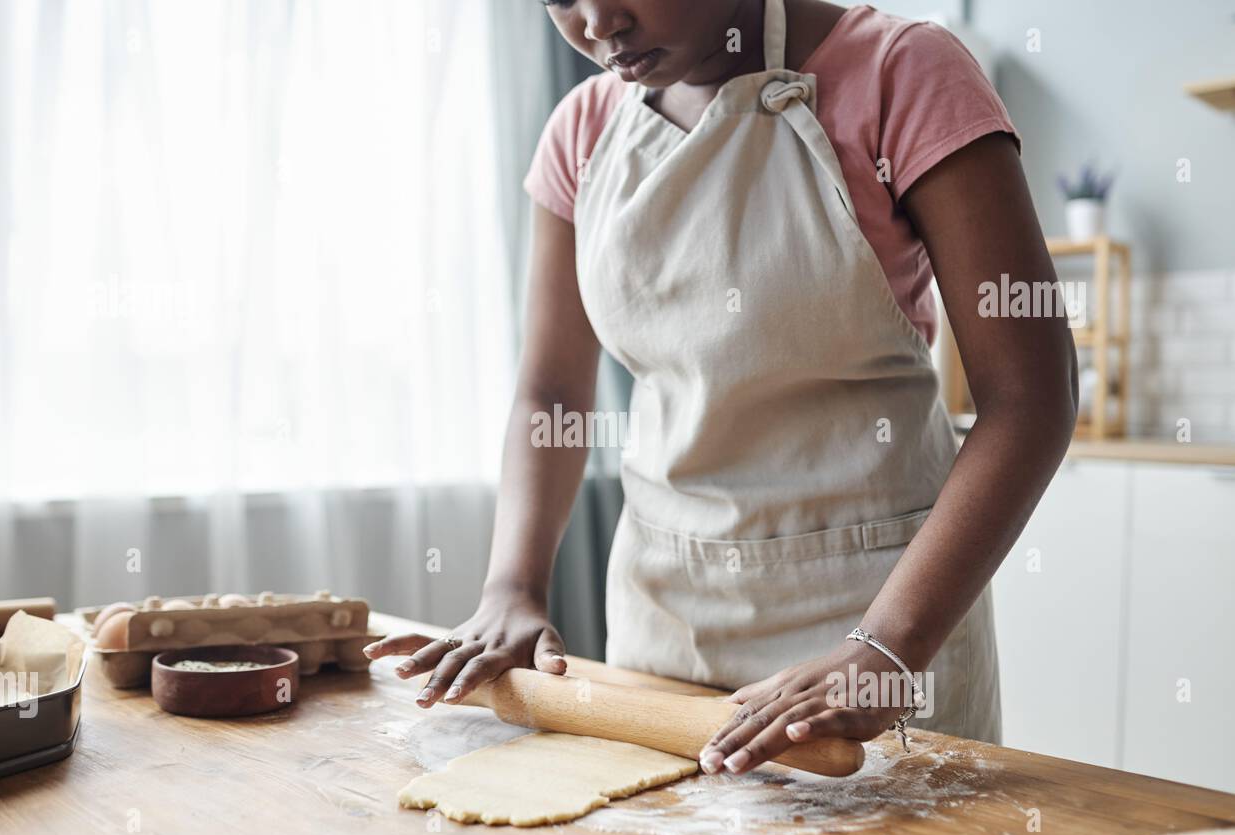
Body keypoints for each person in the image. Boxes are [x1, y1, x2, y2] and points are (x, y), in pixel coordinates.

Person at [366, 0, 1077, 776]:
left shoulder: (904, 72)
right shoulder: (582, 131)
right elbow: (553, 396)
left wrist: (887, 647)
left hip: (885, 620)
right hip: (663, 624)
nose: (598, 22)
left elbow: (1031, 394)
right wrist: (512, 585)